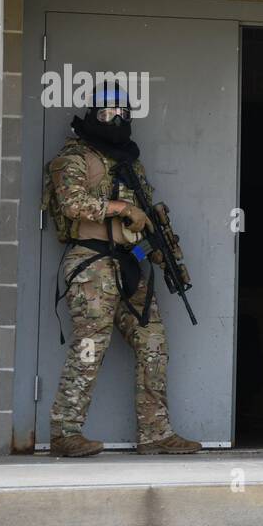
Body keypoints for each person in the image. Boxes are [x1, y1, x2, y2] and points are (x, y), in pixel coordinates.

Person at [42, 82, 202, 457]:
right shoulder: (75, 157)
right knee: (89, 346)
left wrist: (160, 251)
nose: (116, 120)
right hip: (91, 266)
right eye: (108, 113)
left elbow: (144, 218)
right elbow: (71, 203)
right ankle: (65, 432)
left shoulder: (129, 162)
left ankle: (156, 433)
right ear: (93, 115)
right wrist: (121, 209)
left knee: (153, 343)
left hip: (130, 265)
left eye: (123, 114)